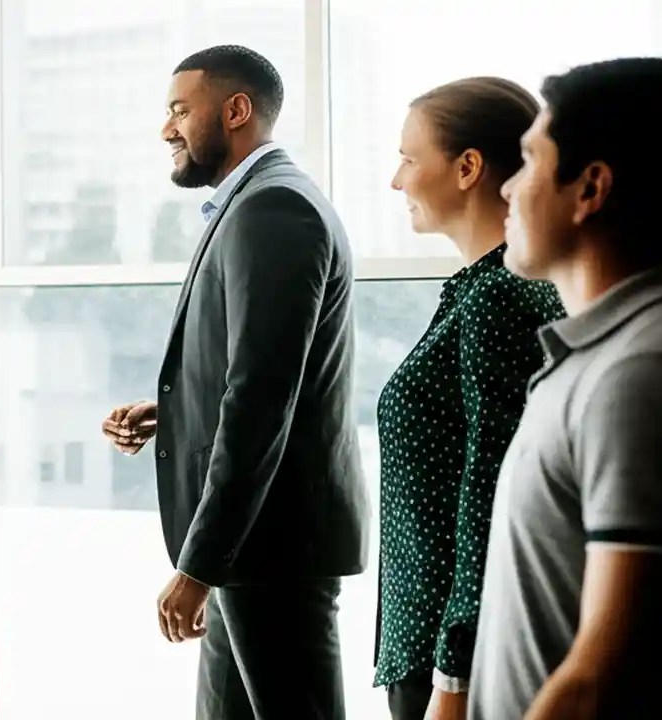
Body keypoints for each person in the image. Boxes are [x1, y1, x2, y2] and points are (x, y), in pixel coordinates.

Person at [103, 45, 367, 720]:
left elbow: (261, 397)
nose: (167, 129)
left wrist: (199, 567)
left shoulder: (273, 209)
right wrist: (173, 411)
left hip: (268, 552)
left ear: (237, 110)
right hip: (250, 553)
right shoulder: (257, 202)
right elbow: (252, 377)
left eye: (179, 110)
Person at [469, 57, 662, 720]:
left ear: (590, 189)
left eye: (528, 160)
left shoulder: (637, 372)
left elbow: (598, 676)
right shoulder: (596, 356)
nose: (507, 190)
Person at [375, 78, 566, 720]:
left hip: (455, 662)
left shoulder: (499, 297)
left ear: (467, 167)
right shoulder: (478, 290)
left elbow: (493, 492)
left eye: (407, 158)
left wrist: (454, 676)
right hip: (433, 647)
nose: (396, 181)